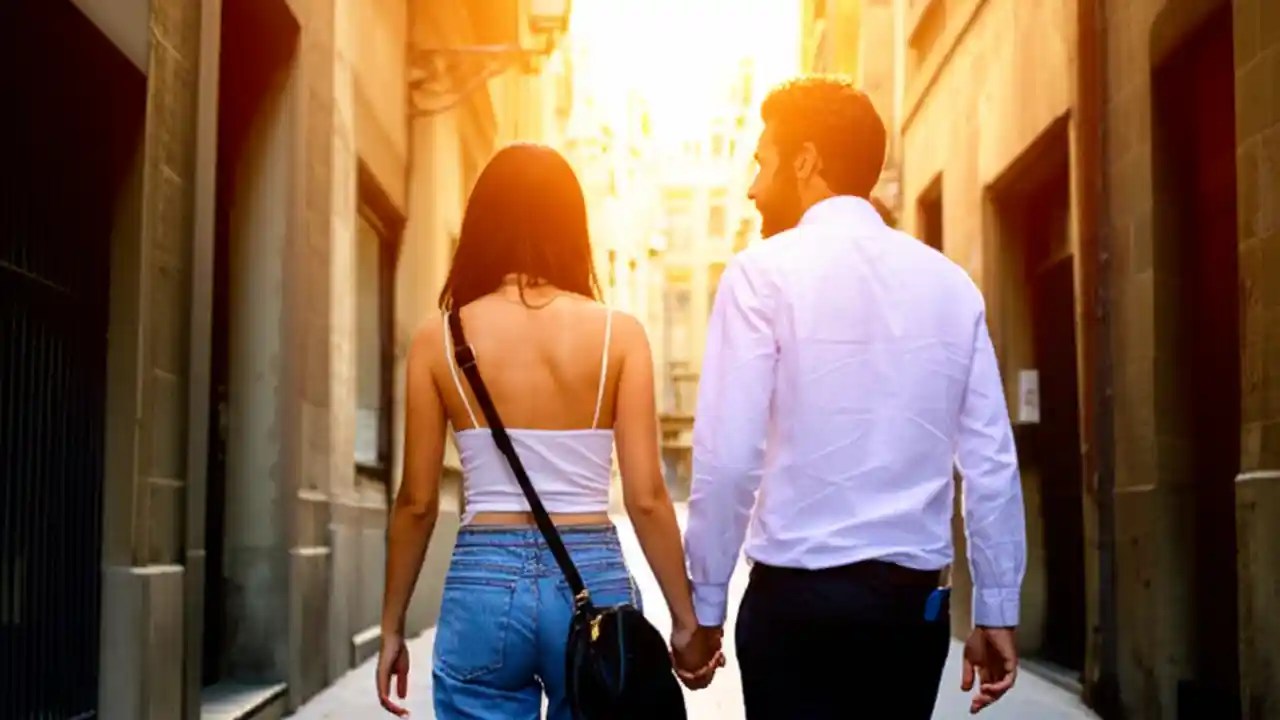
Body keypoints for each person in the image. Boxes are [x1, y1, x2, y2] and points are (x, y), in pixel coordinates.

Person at [681, 76, 1028, 719]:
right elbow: (990, 463)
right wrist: (998, 607)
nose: (753, 187)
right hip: (909, 614)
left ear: (806, 160)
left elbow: (730, 459)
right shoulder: (952, 287)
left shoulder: (760, 275)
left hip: (795, 609)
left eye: (762, 162)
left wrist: (704, 608)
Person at [375, 143, 721, 719]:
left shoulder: (438, 338)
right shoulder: (620, 335)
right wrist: (686, 625)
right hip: (592, 577)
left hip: (483, 582)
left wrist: (391, 628)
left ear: (482, 224)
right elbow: (647, 497)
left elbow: (415, 503)